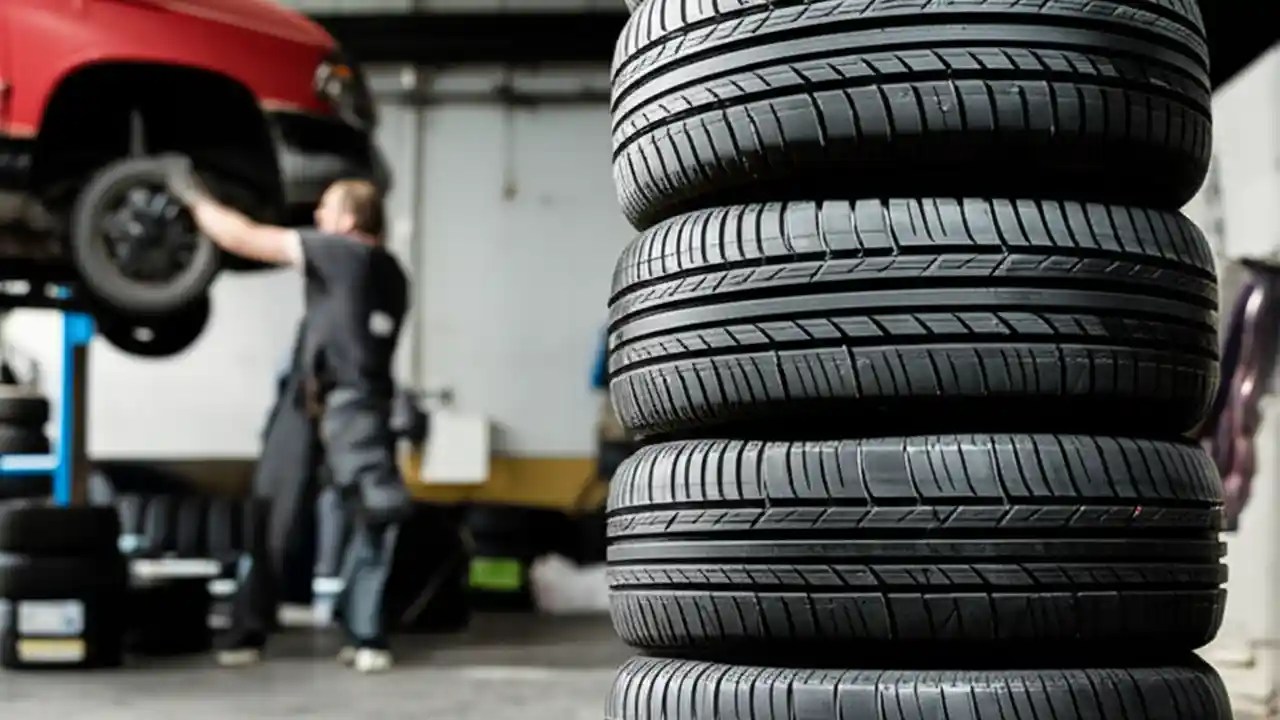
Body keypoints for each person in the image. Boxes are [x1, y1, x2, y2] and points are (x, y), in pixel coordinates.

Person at [165, 159, 413, 673]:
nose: (317, 215)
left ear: (348, 221)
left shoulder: (339, 252)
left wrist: (193, 197)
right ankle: (363, 634)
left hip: (335, 401)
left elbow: (246, 237)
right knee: (366, 512)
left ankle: (253, 634)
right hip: (350, 402)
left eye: (325, 208)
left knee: (289, 513)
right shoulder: (390, 272)